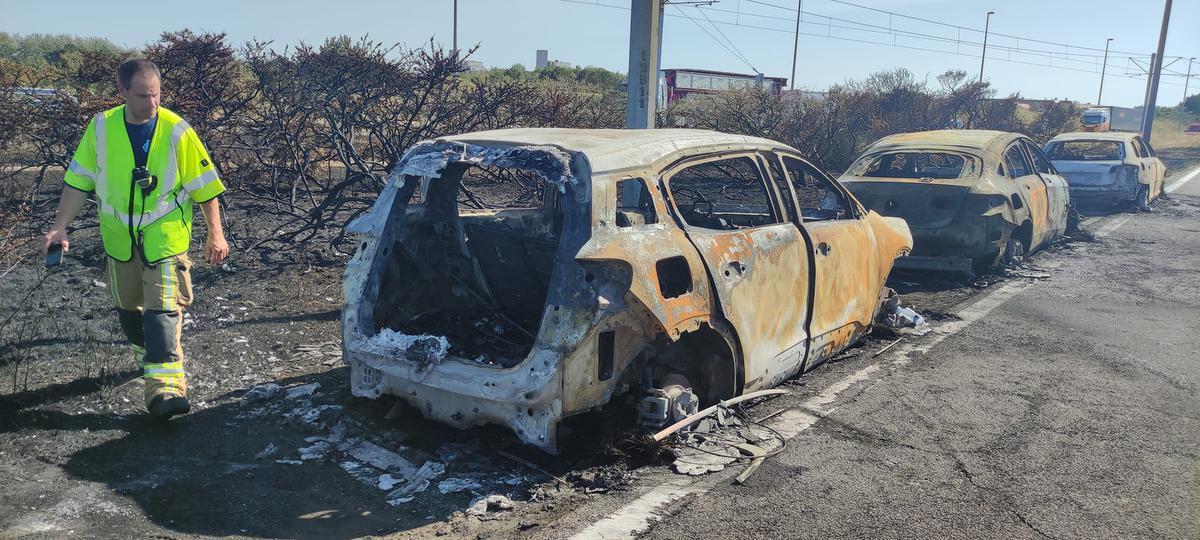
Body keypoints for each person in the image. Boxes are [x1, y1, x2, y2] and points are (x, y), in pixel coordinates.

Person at [42, 58, 228, 420]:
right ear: (122, 91)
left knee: (163, 311)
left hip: (165, 239)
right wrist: (60, 226)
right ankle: (149, 359)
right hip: (119, 241)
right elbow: (78, 182)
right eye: (143, 95)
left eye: (156, 94)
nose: (152, 103)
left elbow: (206, 188)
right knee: (129, 309)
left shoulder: (177, 131)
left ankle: (165, 390)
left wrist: (216, 234)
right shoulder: (101, 128)